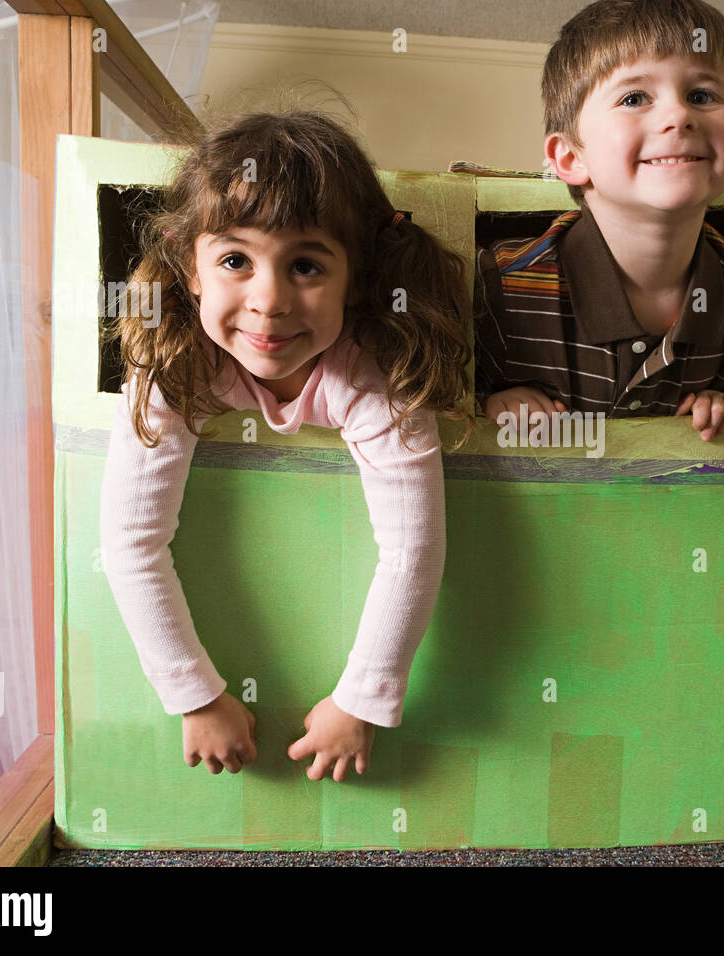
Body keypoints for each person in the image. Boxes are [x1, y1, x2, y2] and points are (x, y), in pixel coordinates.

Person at [99, 110, 472, 782]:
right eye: (235, 260)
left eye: (305, 265)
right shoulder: (173, 361)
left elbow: (413, 548)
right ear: (190, 267)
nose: (268, 301)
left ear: (357, 279)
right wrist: (196, 696)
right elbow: (130, 539)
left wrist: (361, 699)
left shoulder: (376, 376)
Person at [474, 0, 724, 442]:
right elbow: (435, 405)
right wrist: (486, 403)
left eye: (701, 95)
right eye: (634, 98)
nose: (679, 115)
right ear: (571, 157)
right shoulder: (498, 285)